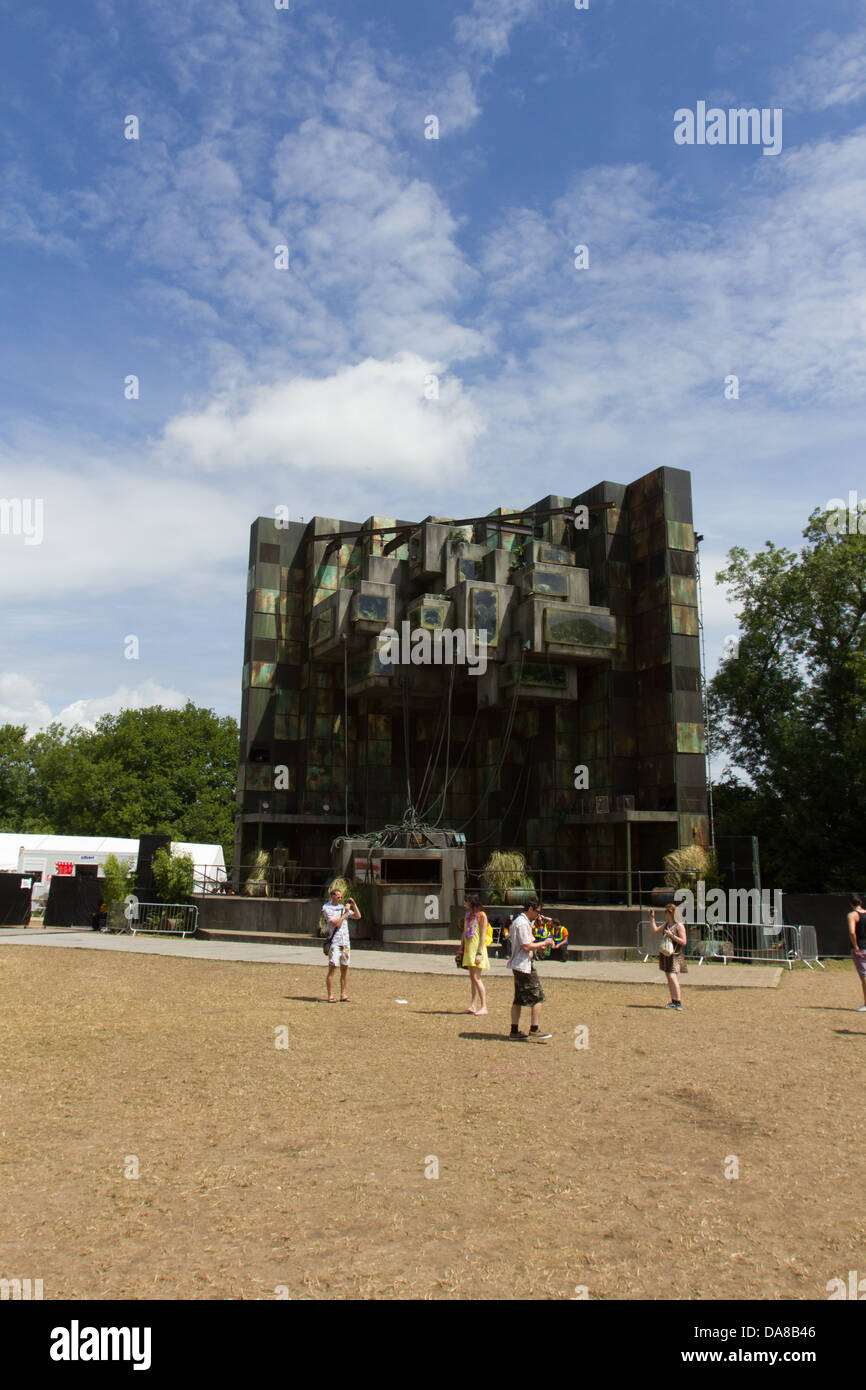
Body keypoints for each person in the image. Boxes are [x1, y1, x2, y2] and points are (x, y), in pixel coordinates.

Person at [507, 898, 553, 1041]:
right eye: (538, 911)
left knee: (519, 998)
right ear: (530, 909)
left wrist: (539, 946)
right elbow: (526, 946)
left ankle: (514, 1031)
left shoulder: (523, 922)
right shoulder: (522, 923)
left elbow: (528, 943)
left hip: (520, 964)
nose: (539, 915)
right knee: (537, 996)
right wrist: (544, 942)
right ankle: (534, 1028)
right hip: (523, 965)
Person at [322, 885, 360, 1003]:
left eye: (341, 897)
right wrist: (345, 913)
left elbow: (358, 916)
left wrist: (353, 905)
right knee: (332, 967)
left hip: (345, 942)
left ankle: (343, 994)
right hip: (335, 942)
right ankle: (330, 995)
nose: (340, 899)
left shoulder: (343, 907)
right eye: (338, 897)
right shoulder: (327, 908)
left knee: (345, 968)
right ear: (332, 897)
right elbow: (335, 923)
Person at [650, 901, 688, 1010]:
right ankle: (674, 1000)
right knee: (668, 976)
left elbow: (684, 942)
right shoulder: (667, 924)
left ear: (671, 913)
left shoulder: (679, 926)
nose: (665, 914)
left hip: (675, 955)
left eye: (667, 912)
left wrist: (672, 936)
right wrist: (652, 918)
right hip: (667, 954)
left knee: (672, 976)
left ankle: (678, 1002)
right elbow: (655, 930)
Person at [460, 892, 490, 1015]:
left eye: (466, 901)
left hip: (477, 950)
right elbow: (464, 933)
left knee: (476, 978)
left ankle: (484, 1006)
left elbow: (483, 935)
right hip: (468, 949)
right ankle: (473, 1005)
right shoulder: (468, 916)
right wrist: (460, 948)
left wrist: (479, 952)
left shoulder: (481, 916)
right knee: (472, 979)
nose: (464, 903)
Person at [846, 893, 866, 1011]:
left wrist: (856, 946)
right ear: (861, 902)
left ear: (850, 904)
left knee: (864, 975)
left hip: (861, 948)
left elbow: (852, 932)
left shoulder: (852, 915)